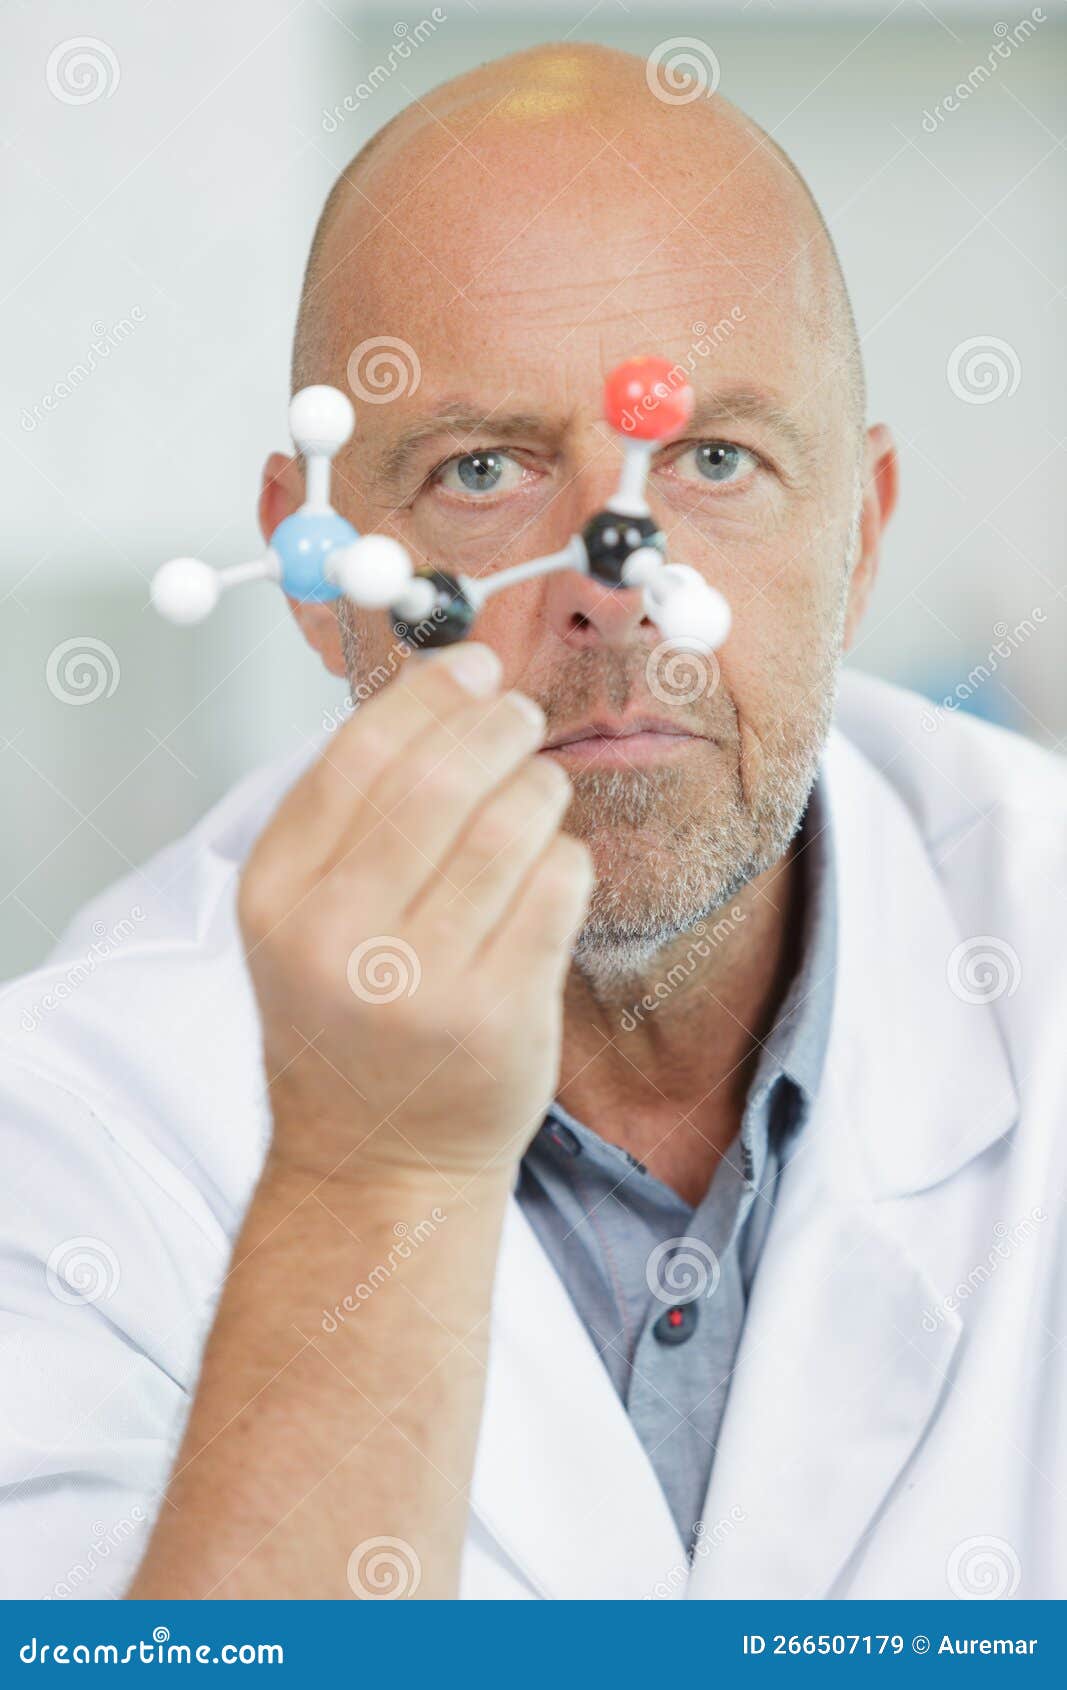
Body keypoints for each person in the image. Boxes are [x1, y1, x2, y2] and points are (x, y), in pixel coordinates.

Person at [1, 42, 1064, 1603]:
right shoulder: (71, 1134)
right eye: (481, 469)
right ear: (312, 575)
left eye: (716, 459)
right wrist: (372, 1173)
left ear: (860, 542)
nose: (613, 591)